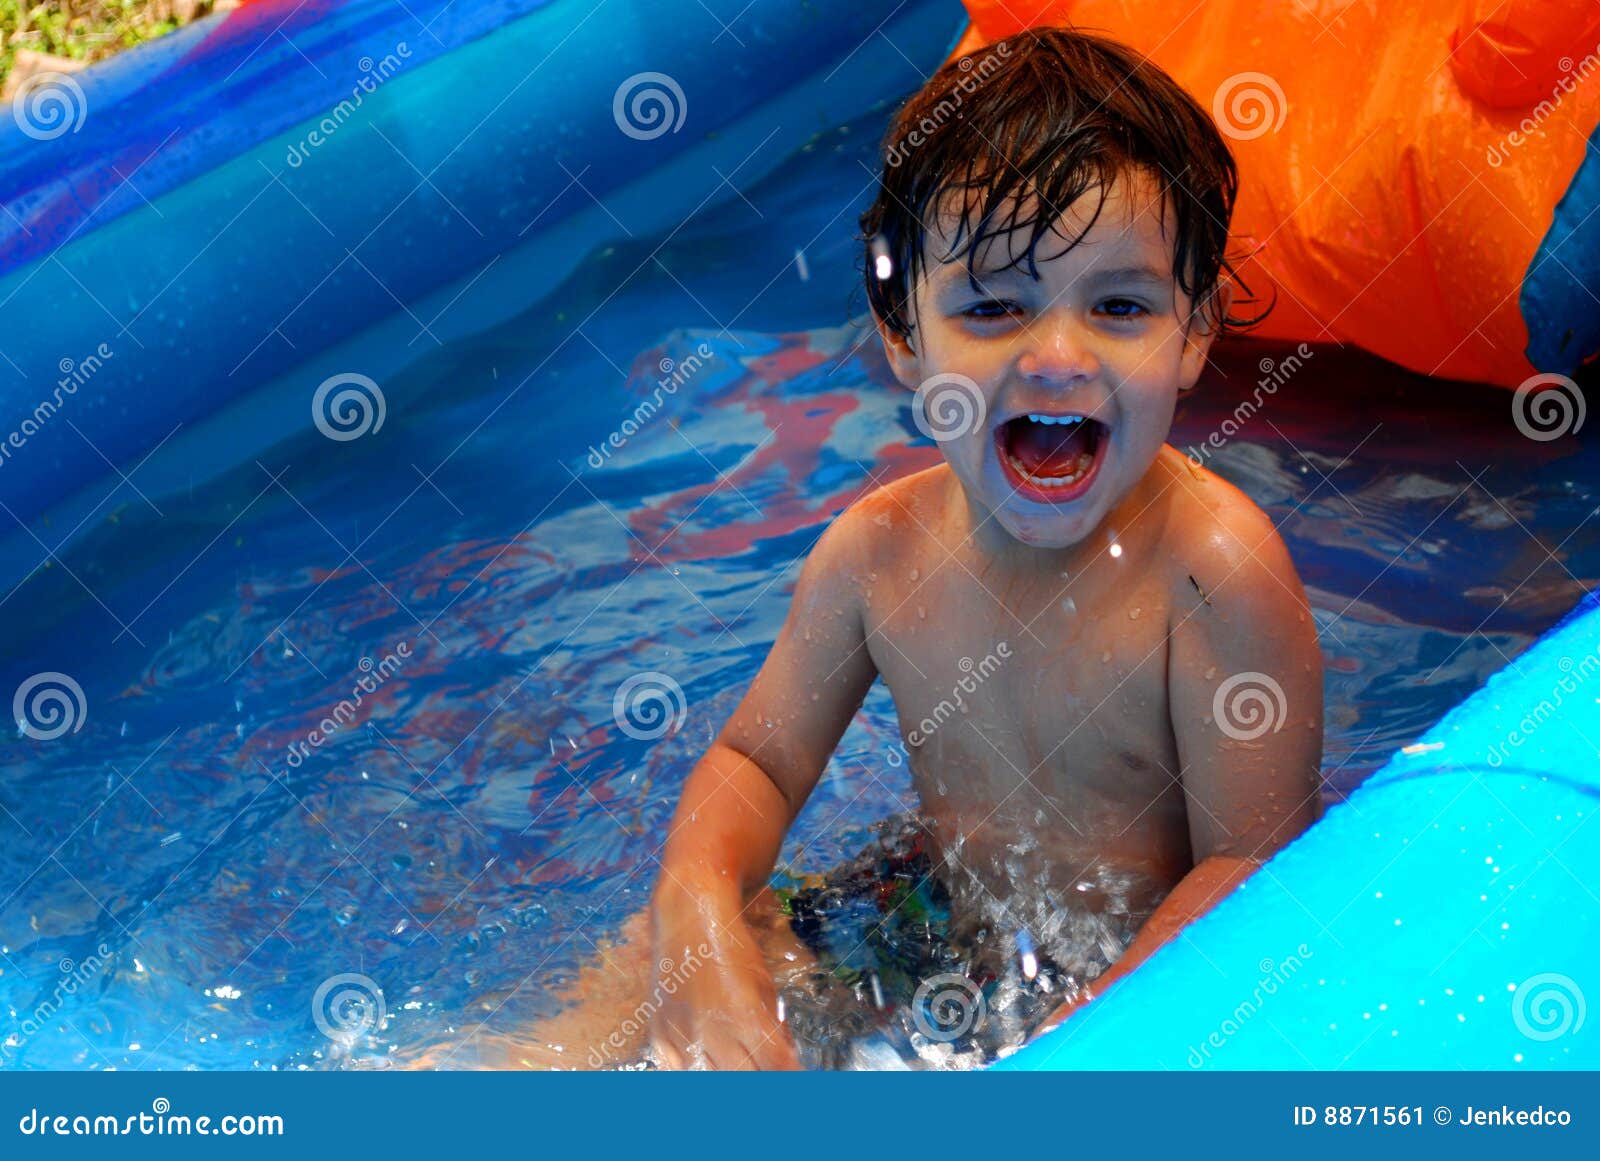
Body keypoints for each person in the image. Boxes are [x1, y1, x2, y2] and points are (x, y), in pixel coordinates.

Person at [543, 24, 1324, 1070]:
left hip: (1135, 964)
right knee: (638, 1001)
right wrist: (697, 913)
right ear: (904, 334)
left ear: (1192, 335)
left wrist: (1084, 1038)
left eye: (1121, 306)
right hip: (924, 908)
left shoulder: (1213, 570)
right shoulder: (876, 554)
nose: (1056, 357)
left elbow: (1251, 861)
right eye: (993, 307)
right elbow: (754, 763)